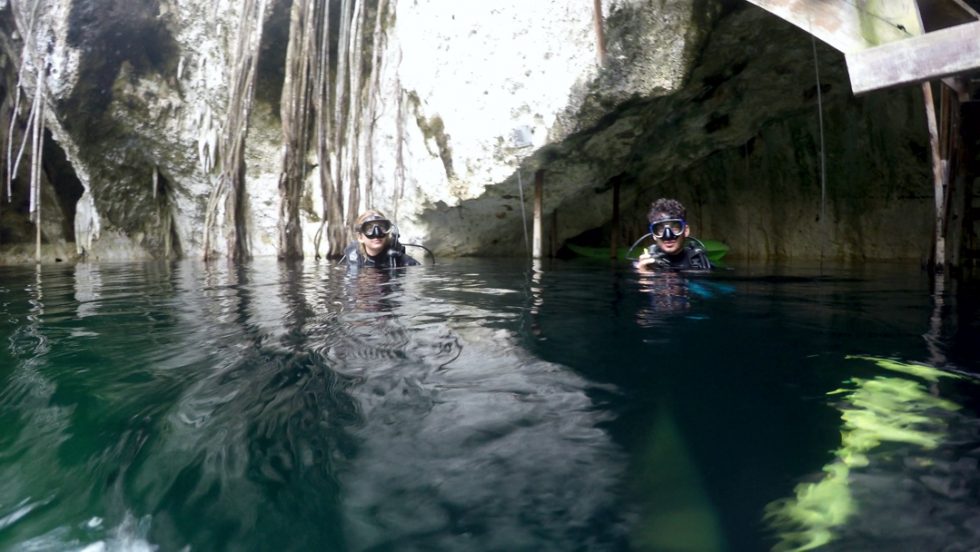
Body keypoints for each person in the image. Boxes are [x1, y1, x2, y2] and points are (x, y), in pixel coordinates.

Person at [636, 198, 711, 272]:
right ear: (653, 234)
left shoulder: (698, 261)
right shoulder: (644, 265)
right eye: (661, 230)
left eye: (675, 228)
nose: (668, 236)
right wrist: (644, 278)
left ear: (686, 231)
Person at [342, 210, 420, 268]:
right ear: (360, 237)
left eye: (382, 227)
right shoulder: (353, 259)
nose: (377, 233)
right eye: (369, 229)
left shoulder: (403, 261)